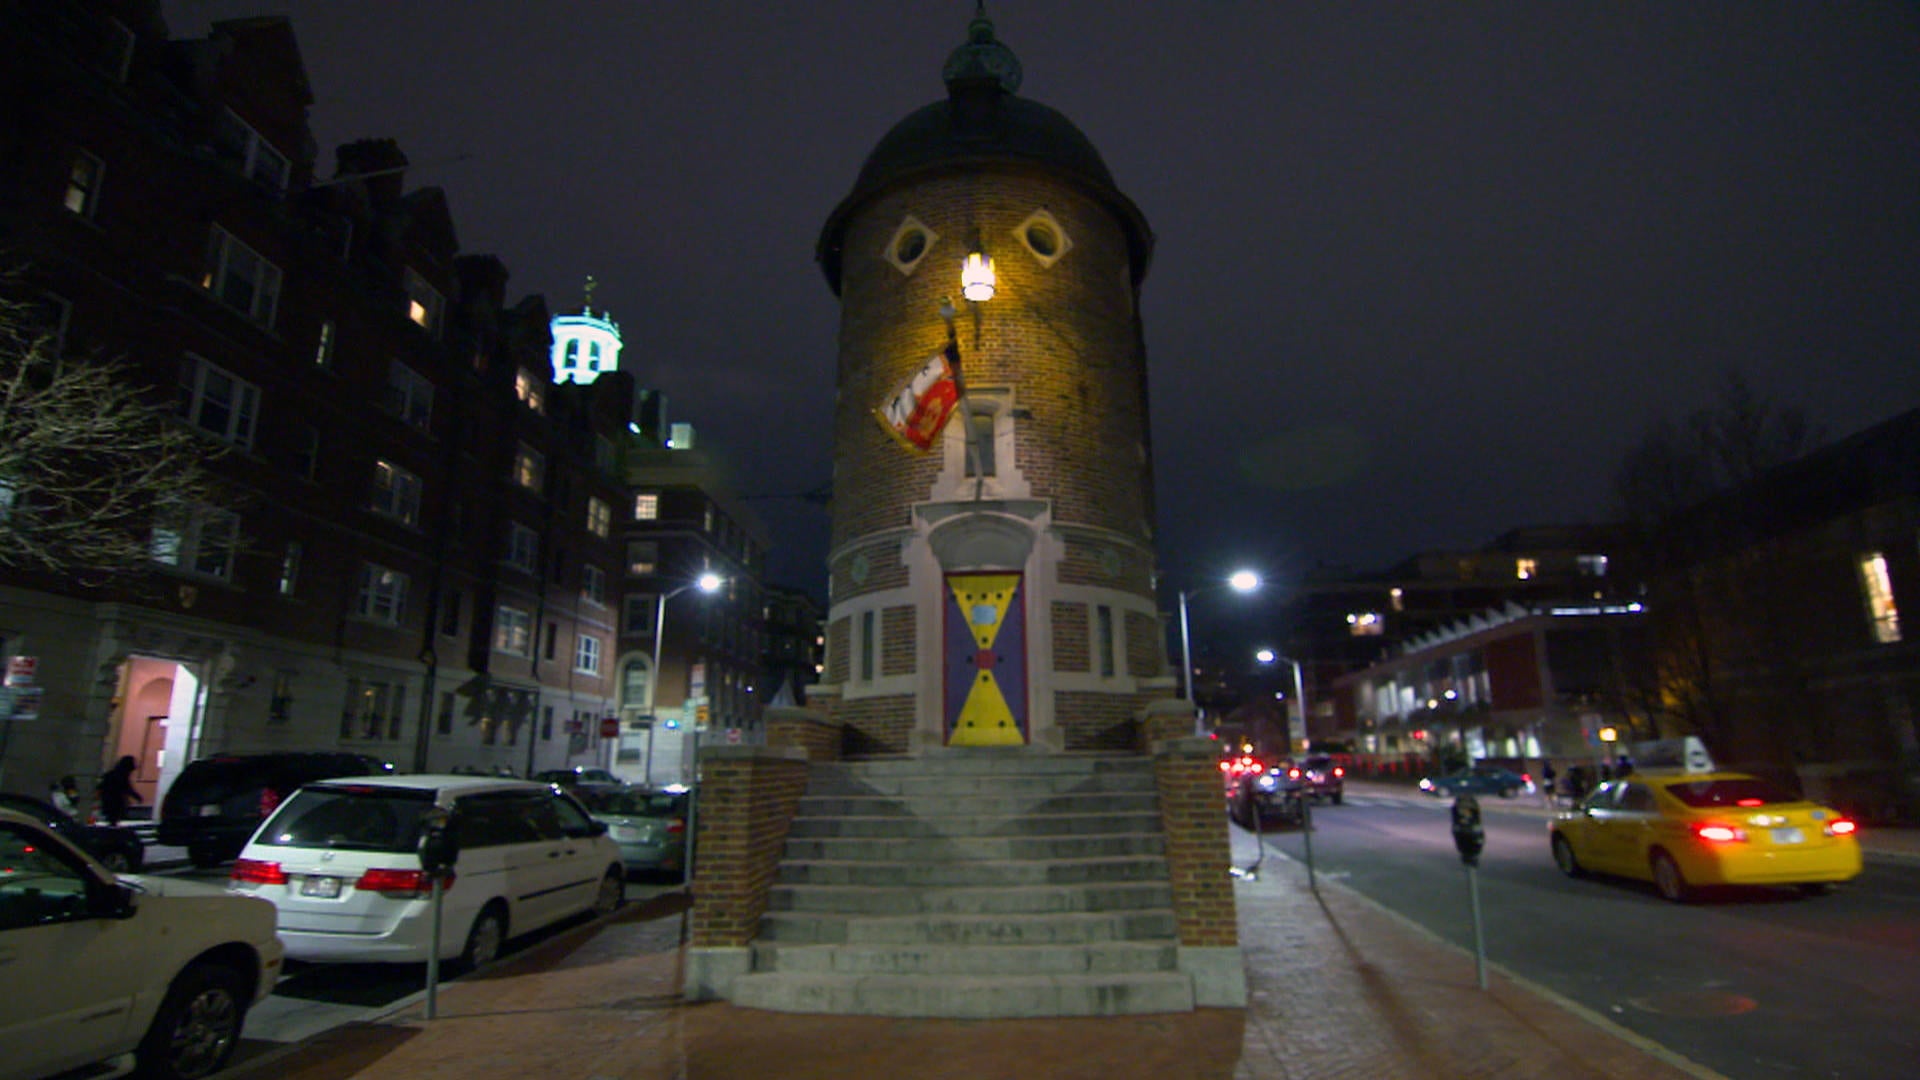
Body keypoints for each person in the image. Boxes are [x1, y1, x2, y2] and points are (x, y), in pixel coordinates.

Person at [95, 755, 142, 826]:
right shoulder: (121, 776)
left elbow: (100, 787)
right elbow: (127, 788)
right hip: (114, 802)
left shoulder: (112, 774)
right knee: (113, 820)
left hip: (109, 801)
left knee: (112, 820)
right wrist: (137, 797)